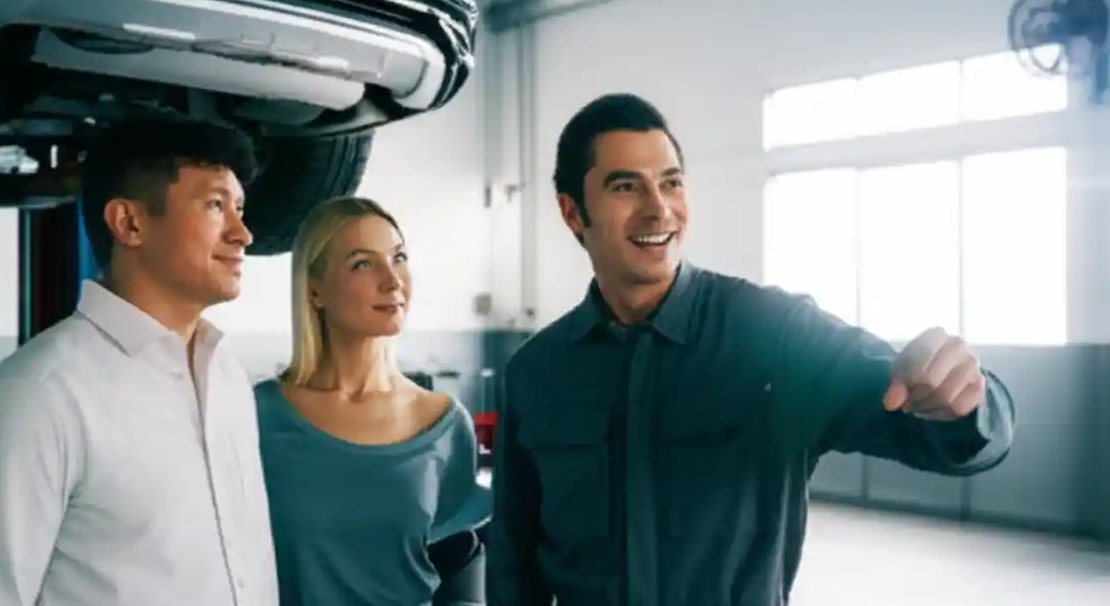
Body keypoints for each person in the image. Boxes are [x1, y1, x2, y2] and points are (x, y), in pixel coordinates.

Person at [486, 93, 1017, 605]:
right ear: (573, 212)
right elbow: (514, 562)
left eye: (671, 184)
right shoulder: (536, 374)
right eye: (626, 187)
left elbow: (932, 428)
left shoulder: (774, 335)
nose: (659, 210)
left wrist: (968, 402)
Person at [0, 115, 279, 605]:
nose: (242, 233)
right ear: (129, 223)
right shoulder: (37, 396)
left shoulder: (226, 373)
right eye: (215, 206)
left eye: (239, 208)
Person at [253, 196, 488, 606]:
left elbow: (459, 572)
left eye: (398, 258)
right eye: (363, 263)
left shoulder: (444, 424)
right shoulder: (257, 415)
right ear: (314, 291)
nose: (392, 280)